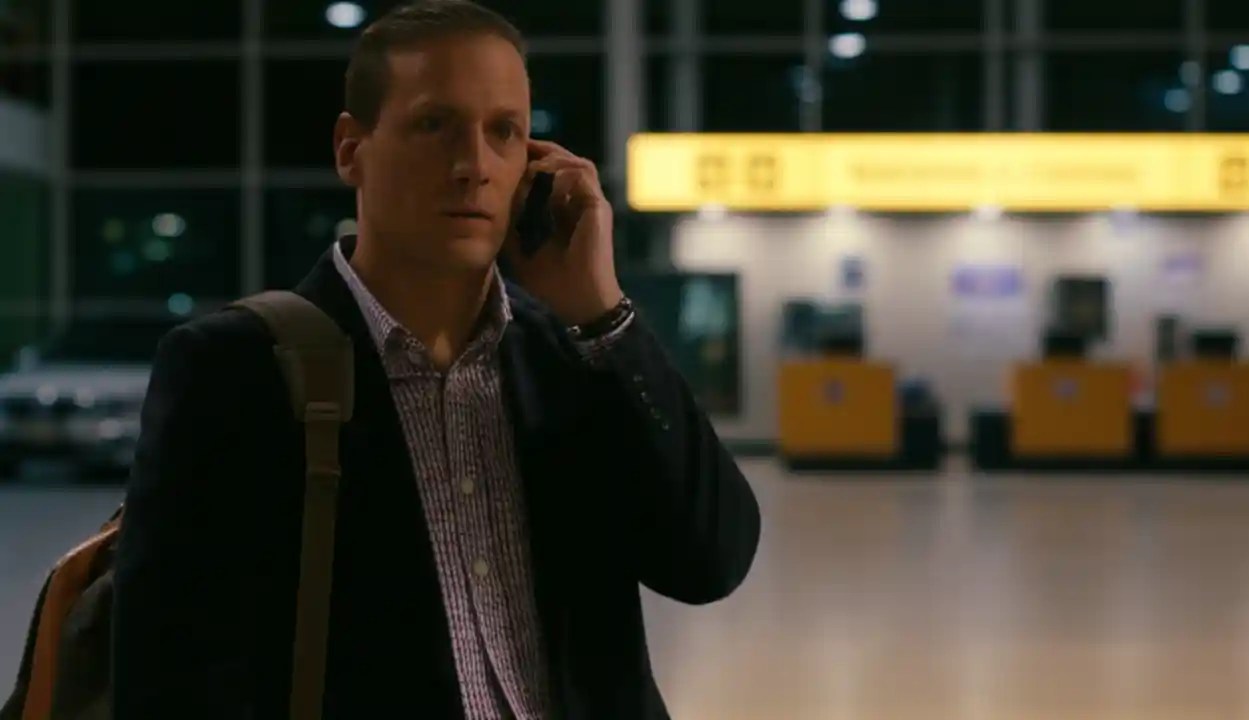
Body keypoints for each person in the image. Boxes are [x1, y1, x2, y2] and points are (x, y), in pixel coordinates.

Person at [110, 1, 761, 718]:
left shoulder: (572, 358)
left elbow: (711, 561)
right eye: (434, 125)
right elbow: (164, 677)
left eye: (504, 133)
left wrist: (604, 313)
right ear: (350, 149)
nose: (473, 166)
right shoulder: (234, 371)